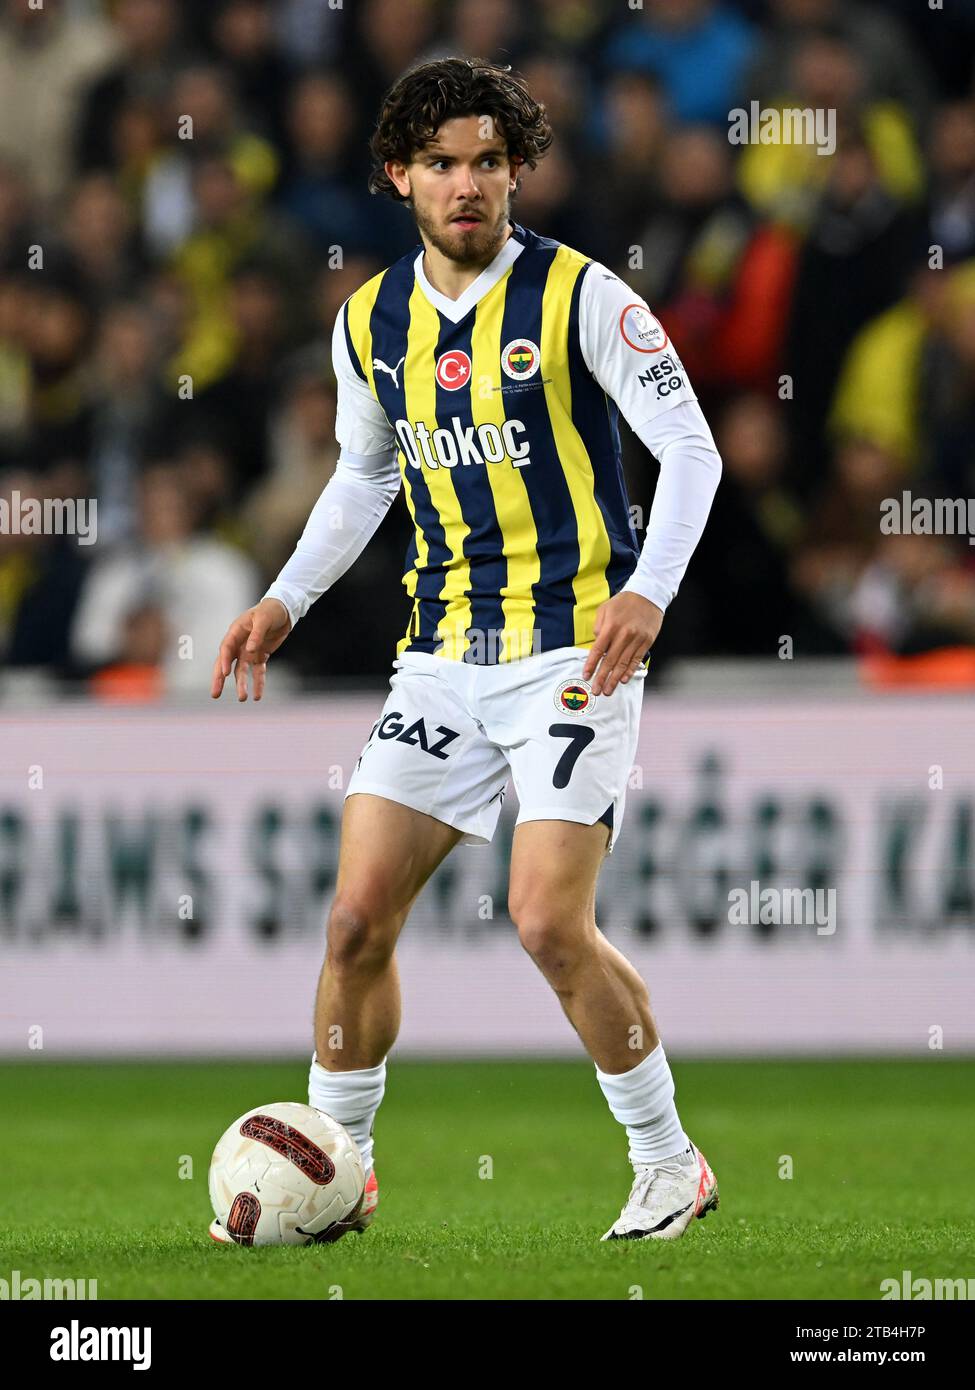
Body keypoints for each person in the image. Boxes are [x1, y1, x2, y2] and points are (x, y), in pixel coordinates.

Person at [210, 57, 723, 1244]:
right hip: (442, 651)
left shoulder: (583, 297)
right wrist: (284, 597)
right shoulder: (369, 322)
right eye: (442, 163)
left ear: (516, 170)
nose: (468, 183)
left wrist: (648, 592)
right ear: (399, 175)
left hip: (573, 650)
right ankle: (343, 1163)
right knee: (353, 921)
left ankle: (668, 1160)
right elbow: (364, 472)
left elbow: (689, 449)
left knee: (546, 920)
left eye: (489, 160)